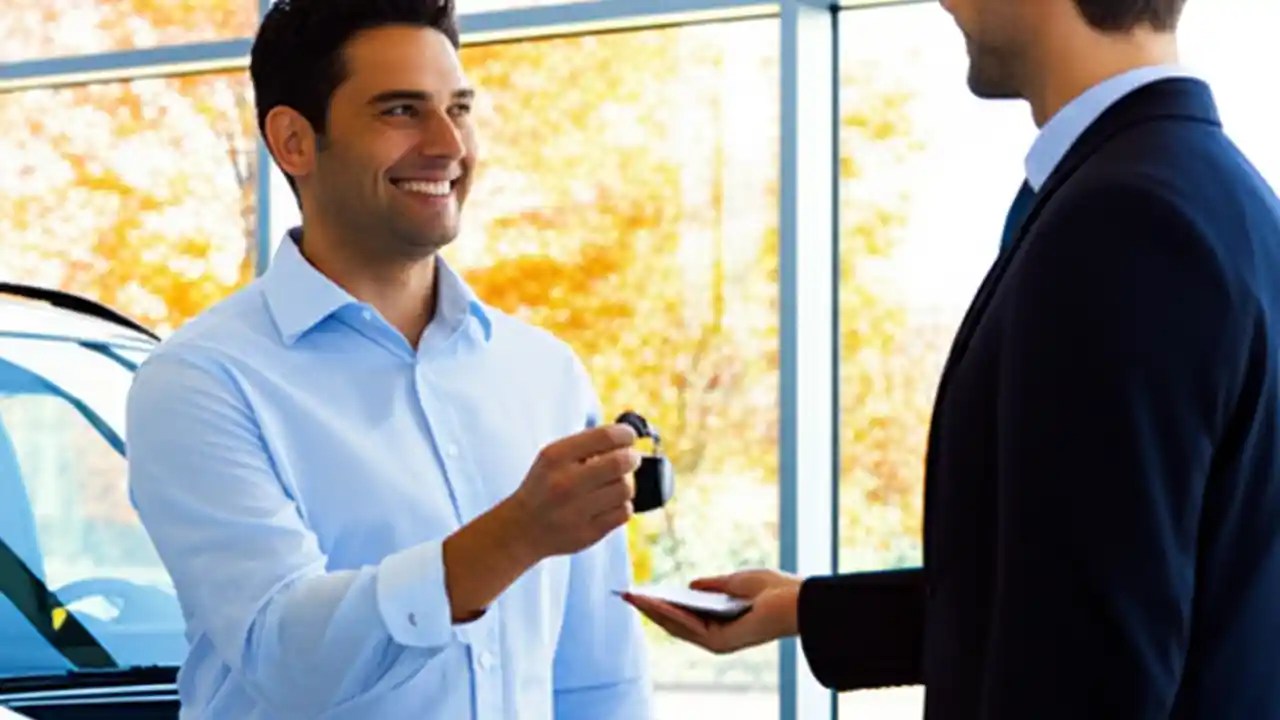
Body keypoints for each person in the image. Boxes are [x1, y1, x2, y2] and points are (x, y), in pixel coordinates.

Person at [625, 0, 1280, 715]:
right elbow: (1088, 591)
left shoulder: (1119, 222)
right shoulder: (1226, 197)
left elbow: (1091, 665)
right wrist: (806, 609)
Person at [125, 1, 653, 718]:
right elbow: (283, 653)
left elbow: (597, 677)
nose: (448, 145)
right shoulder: (201, 382)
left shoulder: (545, 373)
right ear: (294, 141)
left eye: (458, 108)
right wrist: (515, 536)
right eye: (401, 111)